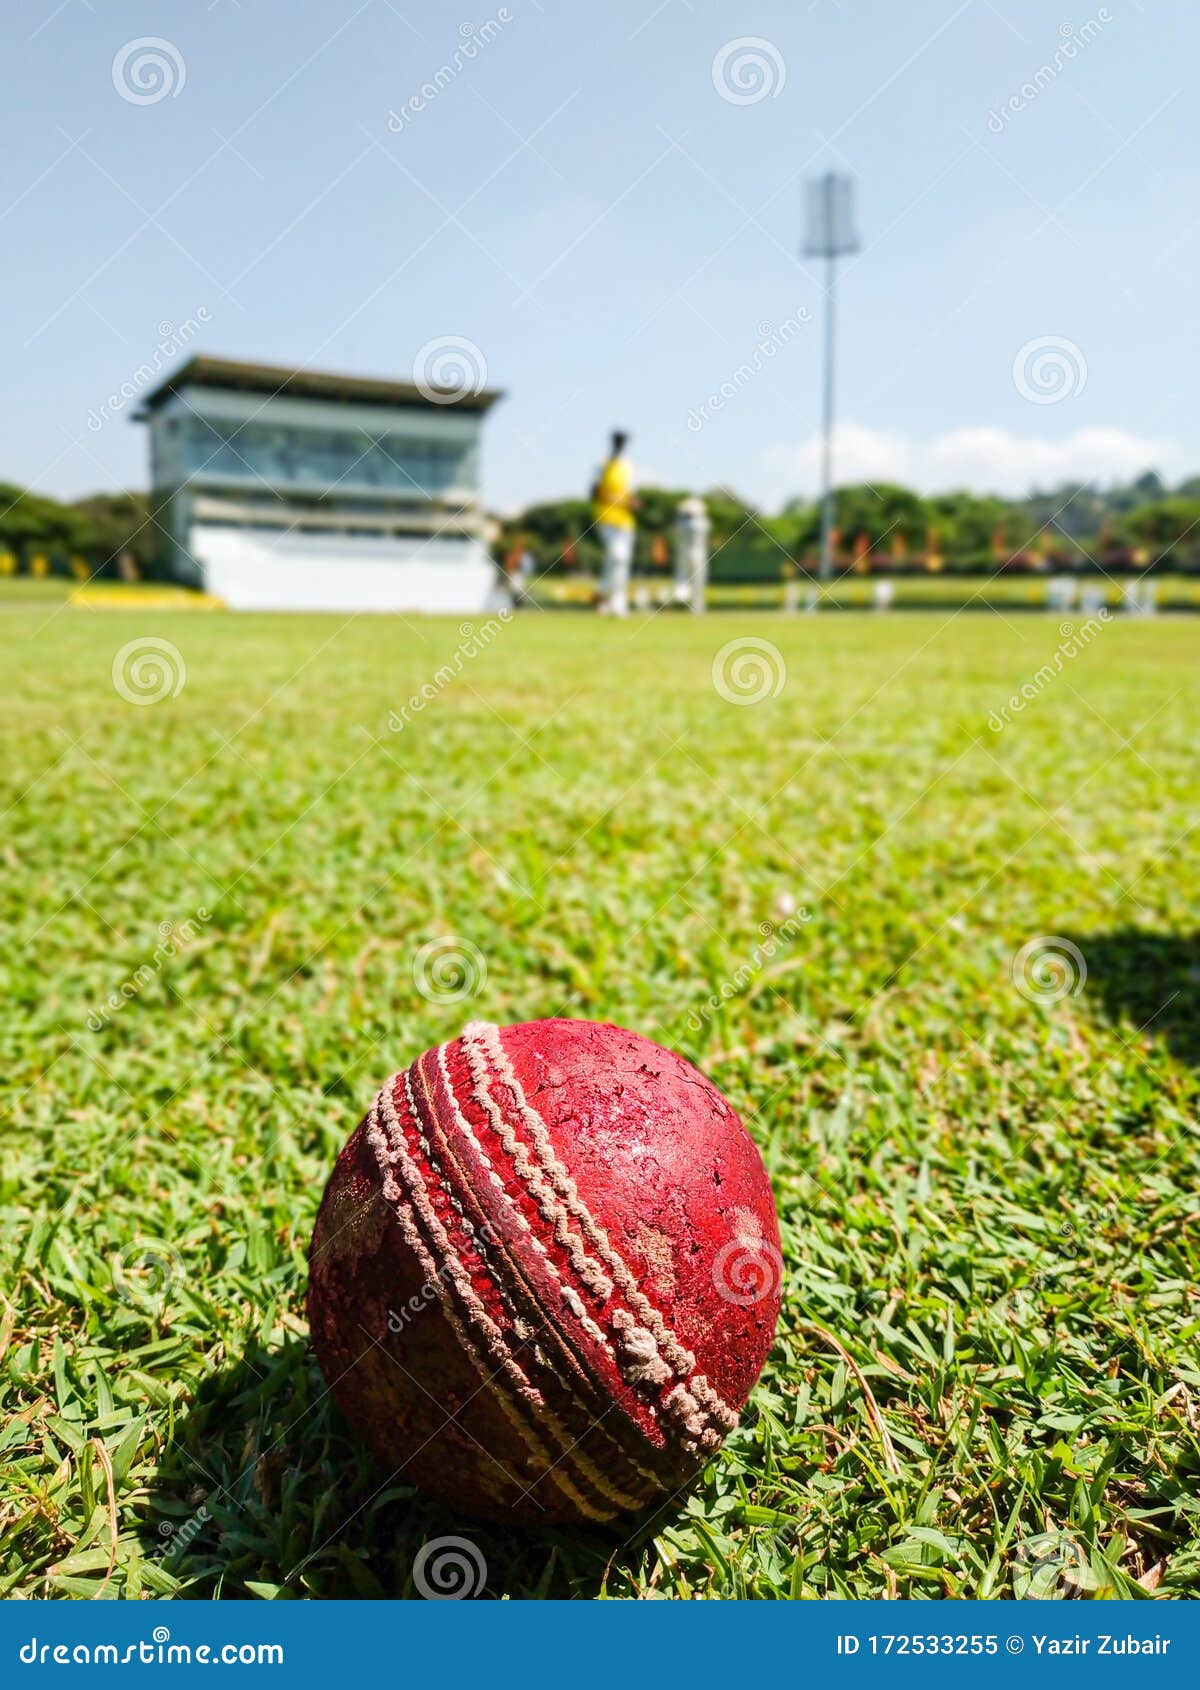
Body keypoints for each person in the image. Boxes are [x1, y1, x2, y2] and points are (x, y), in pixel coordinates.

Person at [591, 431, 638, 616]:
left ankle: (602, 594)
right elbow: (595, 492)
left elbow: (630, 494)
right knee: (618, 557)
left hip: (626, 522)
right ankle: (617, 604)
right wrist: (620, 501)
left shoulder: (627, 466)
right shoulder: (602, 464)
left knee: (619, 561)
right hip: (606, 519)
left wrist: (632, 502)